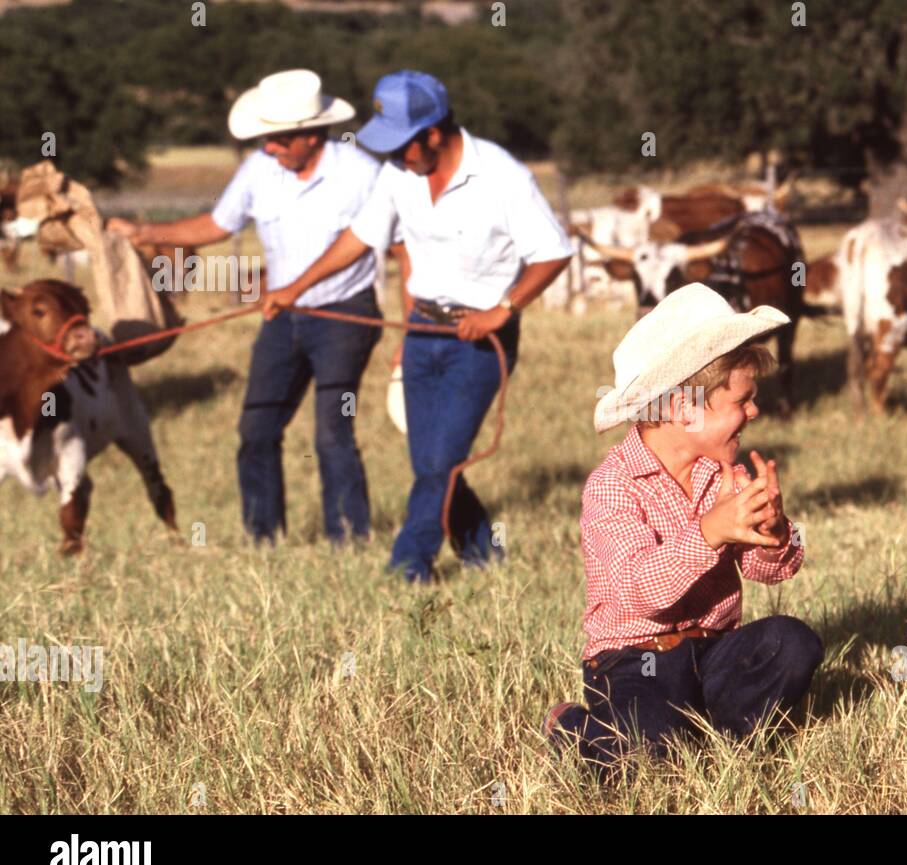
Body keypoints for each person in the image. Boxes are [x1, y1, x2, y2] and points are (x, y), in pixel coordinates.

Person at [260, 70, 572, 582]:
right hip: (422, 330)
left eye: (401, 145)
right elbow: (360, 237)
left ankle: (409, 565)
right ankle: (483, 554)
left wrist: (503, 308)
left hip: (481, 341)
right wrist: (295, 288)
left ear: (433, 134)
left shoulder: (502, 175)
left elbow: (553, 252)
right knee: (432, 460)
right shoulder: (398, 174)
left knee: (440, 460)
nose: (392, 157)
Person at [544, 283, 824, 776]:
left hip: (714, 649)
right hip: (633, 661)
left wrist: (775, 533)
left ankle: (715, 739)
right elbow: (644, 592)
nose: (754, 412)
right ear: (682, 408)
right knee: (647, 752)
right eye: (743, 400)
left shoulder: (724, 475)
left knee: (793, 642)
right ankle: (573, 726)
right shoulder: (614, 486)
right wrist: (711, 531)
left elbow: (770, 572)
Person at [107, 69, 384, 546]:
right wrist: (146, 234)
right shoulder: (259, 169)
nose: (268, 148)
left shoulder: (361, 173)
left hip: (345, 315)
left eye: (276, 139)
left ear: (309, 135)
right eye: (265, 139)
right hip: (283, 317)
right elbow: (218, 224)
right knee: (257, 426)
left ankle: (350, 540)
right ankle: (263, 538)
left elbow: (373, 243)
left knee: (331, 433)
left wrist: (296, 287)